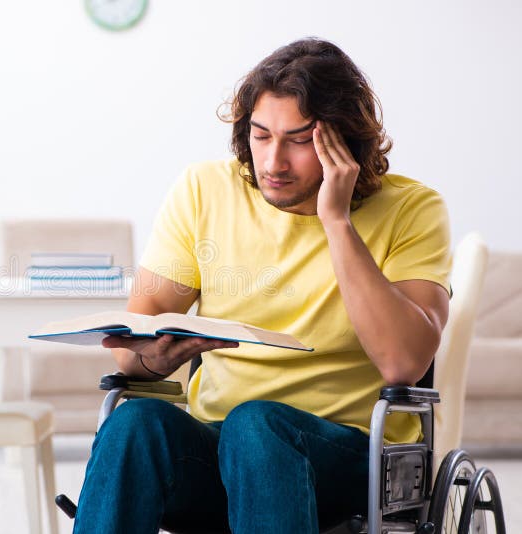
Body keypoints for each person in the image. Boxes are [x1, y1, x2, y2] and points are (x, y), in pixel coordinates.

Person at [72, 37, 451, 534]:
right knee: (134, 424)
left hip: (346, 455)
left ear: (345, 143)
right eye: (260, 135)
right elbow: (136, 340)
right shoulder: (202, 190)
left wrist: (335, 221)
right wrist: (151, 359)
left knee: (257, 424)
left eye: (299, 140)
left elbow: (404, 362)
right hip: (219, 448)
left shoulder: (412, 209)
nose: (273, 163)